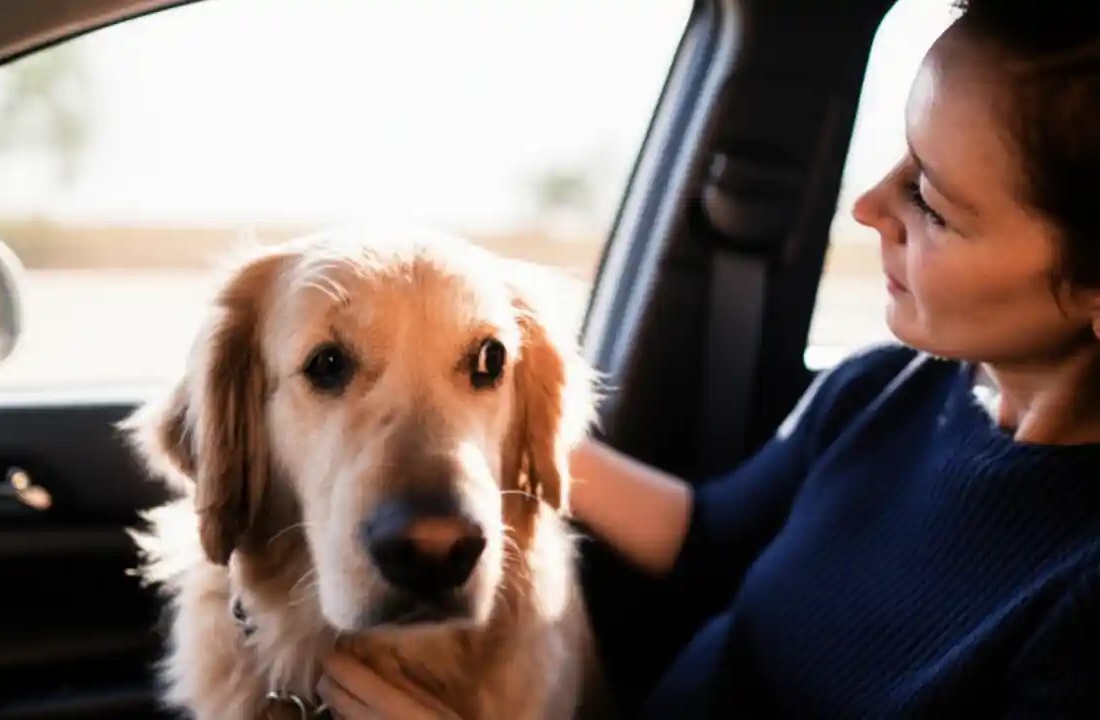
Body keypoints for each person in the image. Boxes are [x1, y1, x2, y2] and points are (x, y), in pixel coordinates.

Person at [315, 1, 1100, 716]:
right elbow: (711, 542)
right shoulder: (886, 388)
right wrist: (487, 401)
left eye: (930, 201)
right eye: (903, 158)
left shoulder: (1077, 602)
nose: (867, 207)